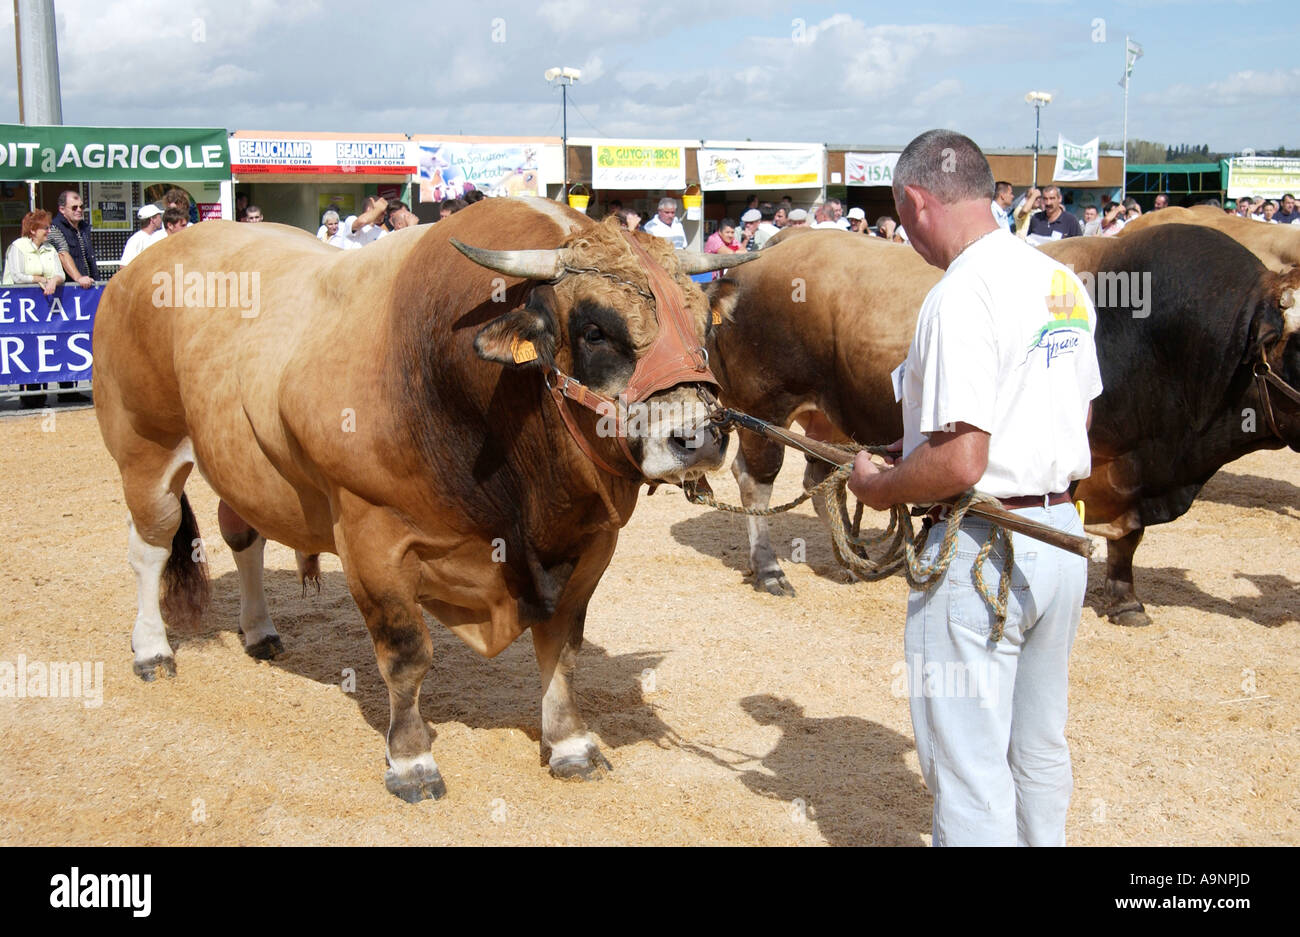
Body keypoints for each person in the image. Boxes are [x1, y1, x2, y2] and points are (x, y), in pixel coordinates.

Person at [847, 128, 1101, 847]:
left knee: (967, 768)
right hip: (1058, 537)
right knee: (1039, 743)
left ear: (918, 200)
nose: (907, 236)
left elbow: (961, 461)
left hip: (983, 546)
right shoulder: (1058, 281)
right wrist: (916, 448)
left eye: (902, 217)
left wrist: (882, 485)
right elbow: (1075, 411)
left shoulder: (959, 295)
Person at [3, 211, 68, 407]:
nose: (49, 231)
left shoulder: (50, 249)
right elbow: (16, 275)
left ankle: (41, 394)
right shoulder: (18, 247)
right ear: (33, 230)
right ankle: (28, 396)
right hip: (19, 308)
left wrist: (54, 281)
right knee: (26, 347)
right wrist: (40, 279)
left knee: (43, 348)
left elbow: (60, 273)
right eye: (45, 228)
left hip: (44, 308)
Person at [46, 190, 97, 289]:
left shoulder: (84, 228)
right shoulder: (54, 228)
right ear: (62, 209)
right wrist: (79, 278)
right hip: (67, 289)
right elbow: (63, 254)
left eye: (81, 207)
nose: (79, 210)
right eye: (74, 207)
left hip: (88, 285)